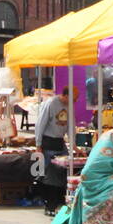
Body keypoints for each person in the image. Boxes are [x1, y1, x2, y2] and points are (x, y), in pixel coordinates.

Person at [35, 86, 73, 215]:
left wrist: (73, 144)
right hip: (48, 141)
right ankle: (49, 204)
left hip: (60, 142)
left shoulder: (70, 106)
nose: (75, 101)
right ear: (66, 95)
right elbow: (40, 124)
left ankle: (59, 202)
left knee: (63, 171)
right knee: (49, 174)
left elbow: (71, 126)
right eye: (73, 98)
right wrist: (38, 144)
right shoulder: (51, 103)